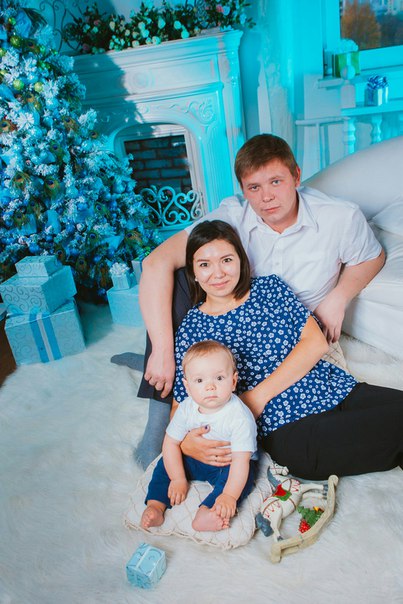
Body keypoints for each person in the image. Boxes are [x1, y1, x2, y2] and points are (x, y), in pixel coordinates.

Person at [129, 134, 385, 467]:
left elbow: (372, 256)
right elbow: (155, 262)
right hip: (231, 312)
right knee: (179, 276)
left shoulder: (340, 217)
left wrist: (339, 297)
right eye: (254, 187)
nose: (266, 197)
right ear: (242, 189)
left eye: (276, 182)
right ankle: (163, 411)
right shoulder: (233, 215)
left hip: (289, 322)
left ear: (296, 175)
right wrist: (164, 351)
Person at [172, 219, 402, 480]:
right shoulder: (192, 327)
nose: (218, 273)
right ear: (193, 271)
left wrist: (256, 397)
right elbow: (181, 402)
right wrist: (184, 442)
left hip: (336, 390)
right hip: (289, 426)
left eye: (226, 260)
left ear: (241, 260)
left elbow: (316, 343)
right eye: (204, 264)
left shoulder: (269, 289)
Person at [140, 340, 257, 532]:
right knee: (165, 463)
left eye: (219, 378)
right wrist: (178, 478)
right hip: (194, 459)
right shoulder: (187, 407)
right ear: (187, 386)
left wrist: (229, 495)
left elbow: (240, 461)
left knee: (242, 480)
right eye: (200, 381)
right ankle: (156, 505)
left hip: (226, 463)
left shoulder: (240, 417)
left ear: (233, 381)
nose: (210, 387)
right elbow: (170, 443)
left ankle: (207, 512)